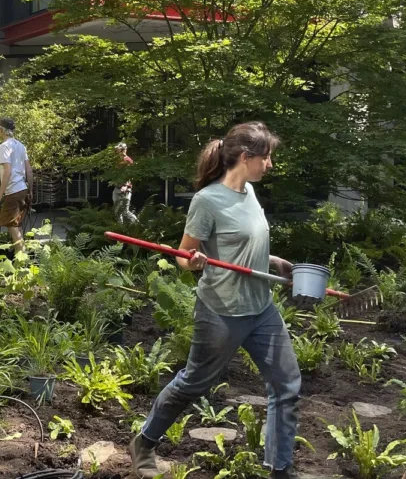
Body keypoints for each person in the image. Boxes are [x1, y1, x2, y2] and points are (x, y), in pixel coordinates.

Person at [129, 122, 301, 479]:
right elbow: (183, 254)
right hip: (222, 310)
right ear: (245, 157)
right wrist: (191, 262)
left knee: (287, 385)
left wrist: (273, 261)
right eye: (266, 157)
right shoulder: (207, 200)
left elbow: (242, 245)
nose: (269, 164)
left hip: (261, 308)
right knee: (194, 382)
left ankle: (280, 469)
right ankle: (144, 443)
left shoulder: (250, 194)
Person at [0, 118, 32, 254]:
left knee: (11, 225)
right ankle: (20, 262)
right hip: (23, 189)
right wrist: (30, 190)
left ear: (2, 130)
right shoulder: (21, 146)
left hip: (13, 190)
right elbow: (29, 170)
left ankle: (23, 258)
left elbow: (8, 171)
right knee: (17, 225)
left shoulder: (5, 146)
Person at [113, 142, 138, 225]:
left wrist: (126, 186)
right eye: (117, 151)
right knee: (117, 212)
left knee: (125, 211)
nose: (117, 152)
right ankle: (121, 229)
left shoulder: (128, 160)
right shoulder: (116, 161)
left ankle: (138, 225)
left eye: (119, 150)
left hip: (125, 190)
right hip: (117, 188)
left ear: (124, 150)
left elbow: (131, 176)